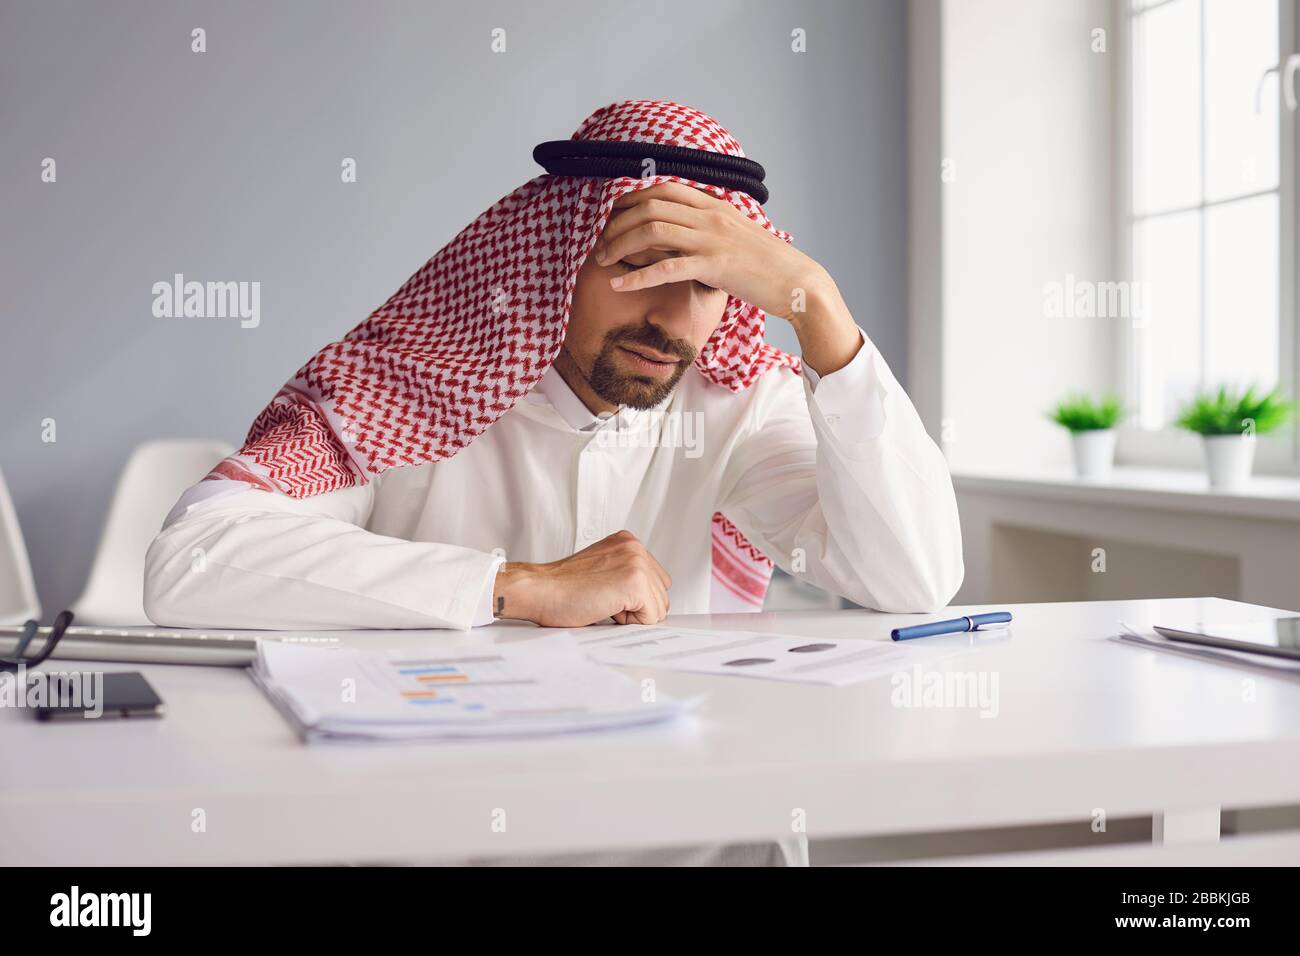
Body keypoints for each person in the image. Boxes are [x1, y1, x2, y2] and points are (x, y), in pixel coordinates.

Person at [143, 101, 963, 866]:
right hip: (433, 832)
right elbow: (195, 559)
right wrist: (513, 585)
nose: (672, 315)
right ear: (560, 256)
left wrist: (816, 301)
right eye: (638, 264)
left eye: (709, 281)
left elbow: (912, 579)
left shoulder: (741, 401)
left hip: (686, 835)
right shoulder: (410, 378)